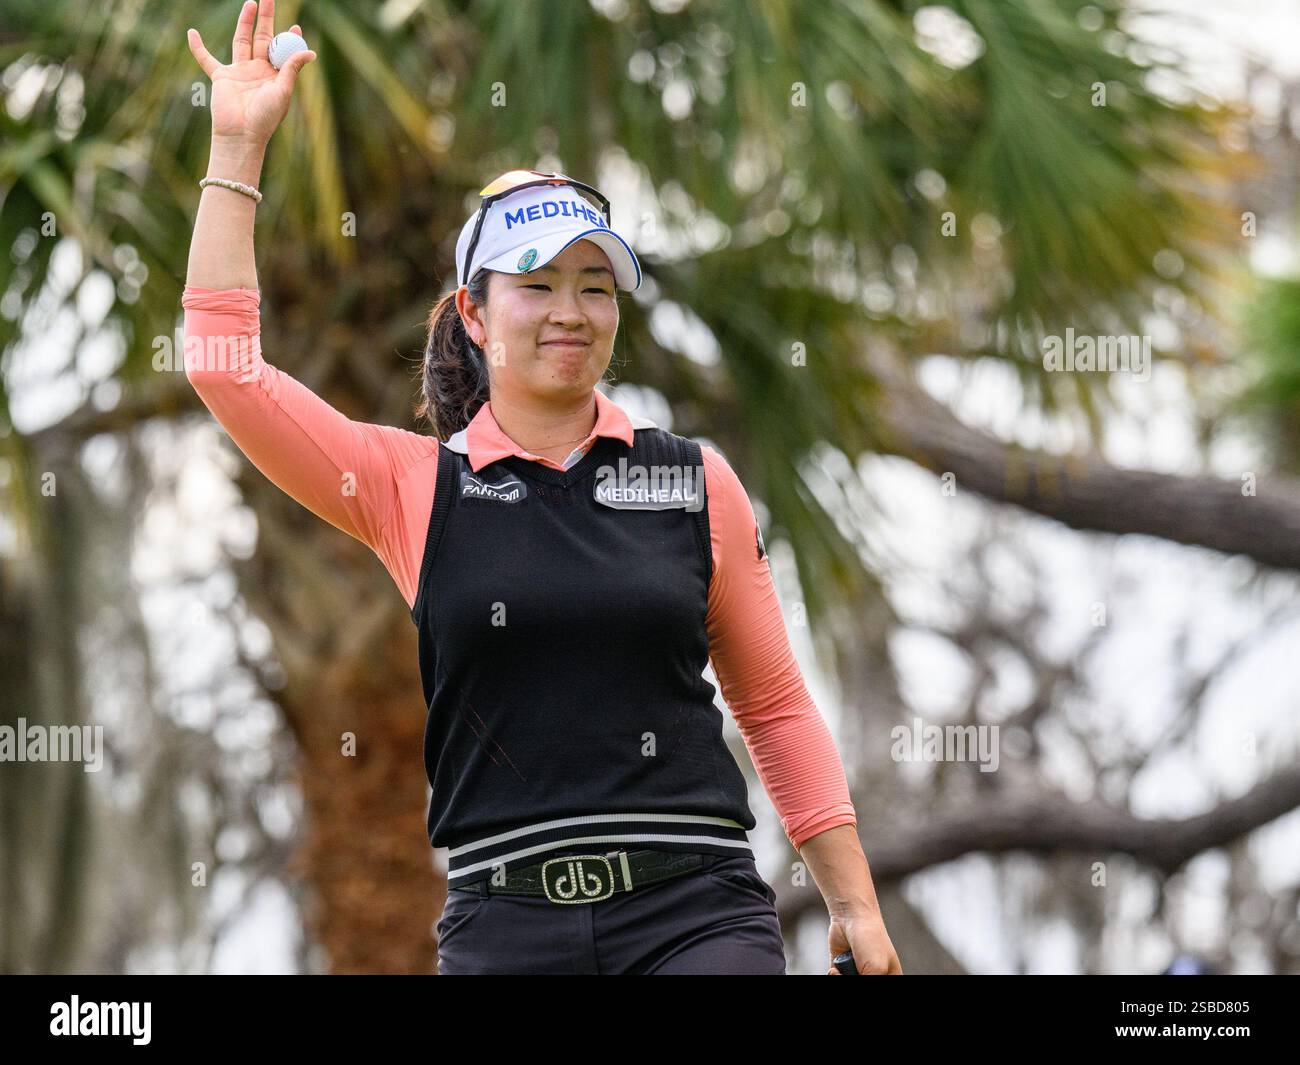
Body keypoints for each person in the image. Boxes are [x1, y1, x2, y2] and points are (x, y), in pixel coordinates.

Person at [184, 0, 902, 975]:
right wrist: (237, 149)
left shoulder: (692, 483)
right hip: (502, 928)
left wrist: (851, 901)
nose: (569, 311)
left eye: (594, 284)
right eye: (534, 283)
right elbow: (226, 369)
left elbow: (771, 704)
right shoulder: (415, 489)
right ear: (474, 317)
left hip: (697, 918)